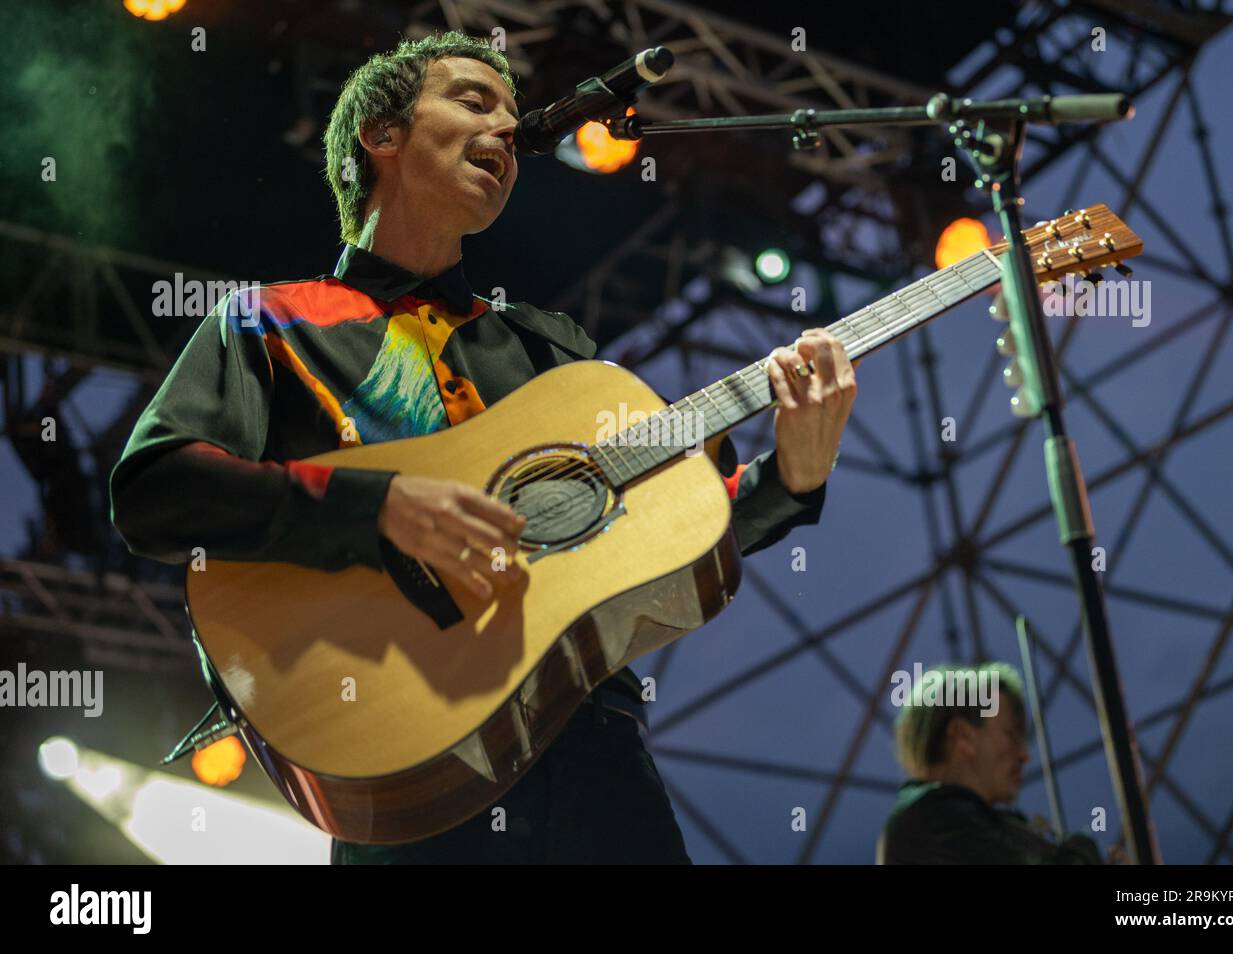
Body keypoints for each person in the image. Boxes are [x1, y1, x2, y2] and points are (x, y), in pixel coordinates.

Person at [109, 31, 859, 864]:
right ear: (382, 136)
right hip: (399, 751)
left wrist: (793, 474)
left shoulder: (553, 349)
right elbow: (155, 492)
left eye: (512, 114)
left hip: (593, 753)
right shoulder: (269, 321)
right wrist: (379, 506)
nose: (508, 130)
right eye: (473, 102)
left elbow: (676, 530)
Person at [877, 662, 1105, 864]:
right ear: (962, 736)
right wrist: (1084, 849)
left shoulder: (939, 823)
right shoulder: (933, 822)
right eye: (1011, 735)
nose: (1025, 756)